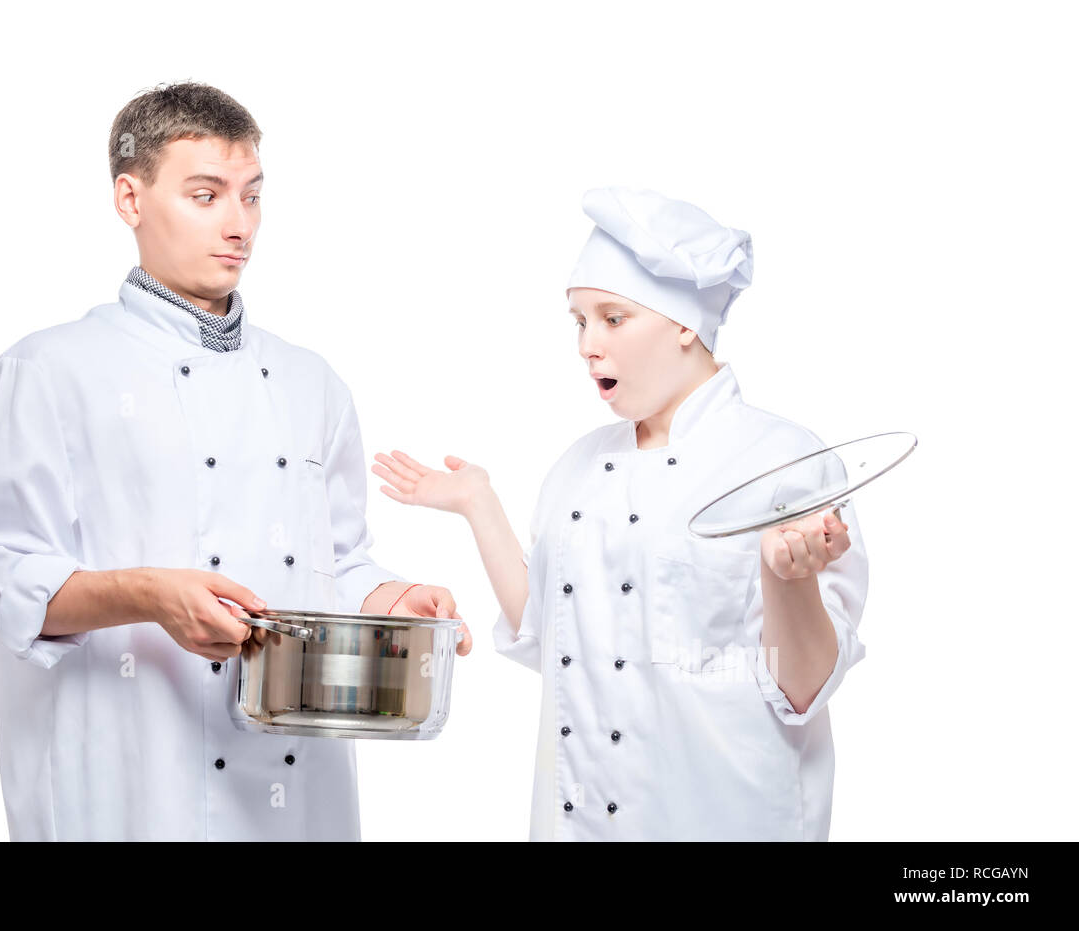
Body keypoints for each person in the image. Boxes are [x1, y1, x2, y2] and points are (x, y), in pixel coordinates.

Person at [0, 81, 471, 841]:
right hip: (134, 780)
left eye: (252, 196)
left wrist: (392, 601)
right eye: (206, 194)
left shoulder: (310, 381)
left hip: (296, 783)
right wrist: (147, 594)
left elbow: (336, 560)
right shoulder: (52, 369)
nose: (239, 224)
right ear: (130, 198)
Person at [371, 186, 867, 841]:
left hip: (727, 816)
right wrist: (477, 504)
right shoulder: (576, 470)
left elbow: (803, 689)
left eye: (612, 318)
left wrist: (789, 578)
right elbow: (553, 641)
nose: (586, 344)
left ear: (684, 322)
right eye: (578, 321)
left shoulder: (784, 462)